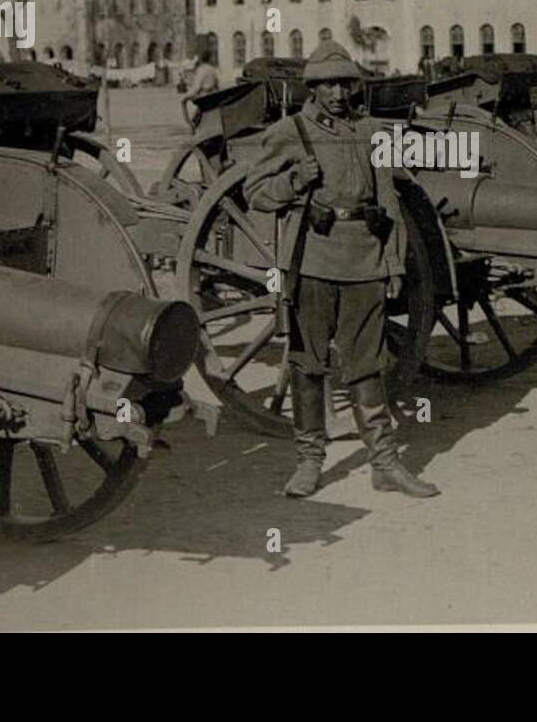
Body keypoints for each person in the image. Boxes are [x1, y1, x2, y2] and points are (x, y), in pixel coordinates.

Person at [244, 39, 439, 500]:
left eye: (344, 83)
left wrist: (392, 264)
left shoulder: (372, 132)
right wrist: (295, 181)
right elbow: (255, 192)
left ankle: (385, 463)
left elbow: (389, 202)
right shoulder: (291, 132)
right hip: (312, 263)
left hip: (365, 261)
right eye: (327, 84)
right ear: (312, 88)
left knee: (366, 366)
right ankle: (309, 462)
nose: (336, 93)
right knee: (309, 365)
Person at [182, 49, 219, 127]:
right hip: (213, 95)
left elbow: (196, 87)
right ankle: (197, 119)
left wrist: (186, 95)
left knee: (184, 101)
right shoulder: (213, 70)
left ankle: (193, 124)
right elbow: (217, 85)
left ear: (201, 59)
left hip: (204, 96)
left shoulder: (201, 70)